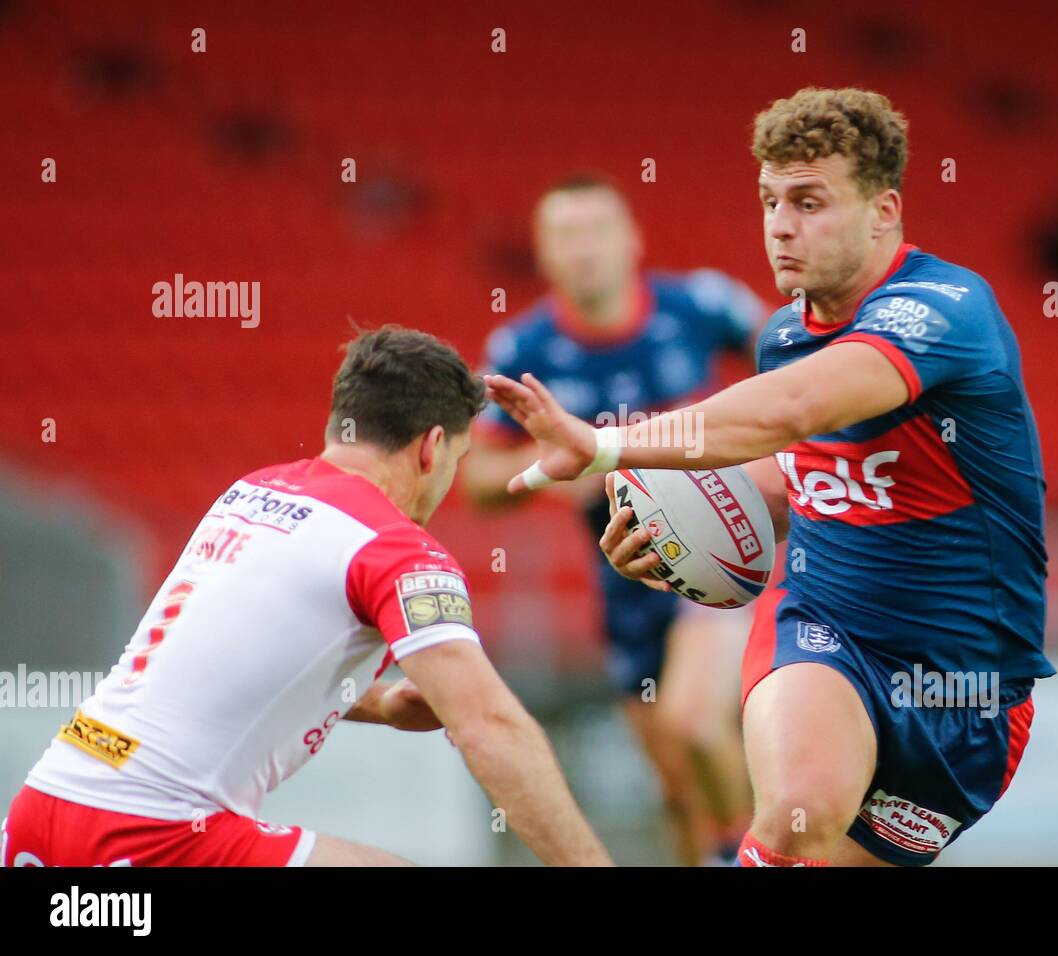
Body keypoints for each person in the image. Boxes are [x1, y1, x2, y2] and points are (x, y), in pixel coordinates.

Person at [484, 87, 1056, 867]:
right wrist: (665, 524)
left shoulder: (946, 309)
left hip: (969, 686)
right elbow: (803, 475)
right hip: (828, 627)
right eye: (770, 201)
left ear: (884, 209)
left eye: (810, 202)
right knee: (794, 817)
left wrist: (611, 446)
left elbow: (793, 408)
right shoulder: (787, 332)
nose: (781, 226)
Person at [2, 326, 611, 867]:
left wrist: (376, 704)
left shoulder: (248, 496)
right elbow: (491, 727)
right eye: (459, 456)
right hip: (156, 835)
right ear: (431, 447)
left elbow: (218, 660)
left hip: (41, 813)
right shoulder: (398, 550)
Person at [461, 175, 765, 865]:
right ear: (543, 252)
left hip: (721, 560)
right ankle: (730, 848)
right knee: (679, 793)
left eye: (597, 230)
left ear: (632, 238)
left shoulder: (703, 305)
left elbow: (799, 369)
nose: (584, 249)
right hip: (626, 581)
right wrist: (558, 473)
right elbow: (477, 482)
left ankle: (758, 853)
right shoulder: (522, 352)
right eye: (565, 235)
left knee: (693, 722)